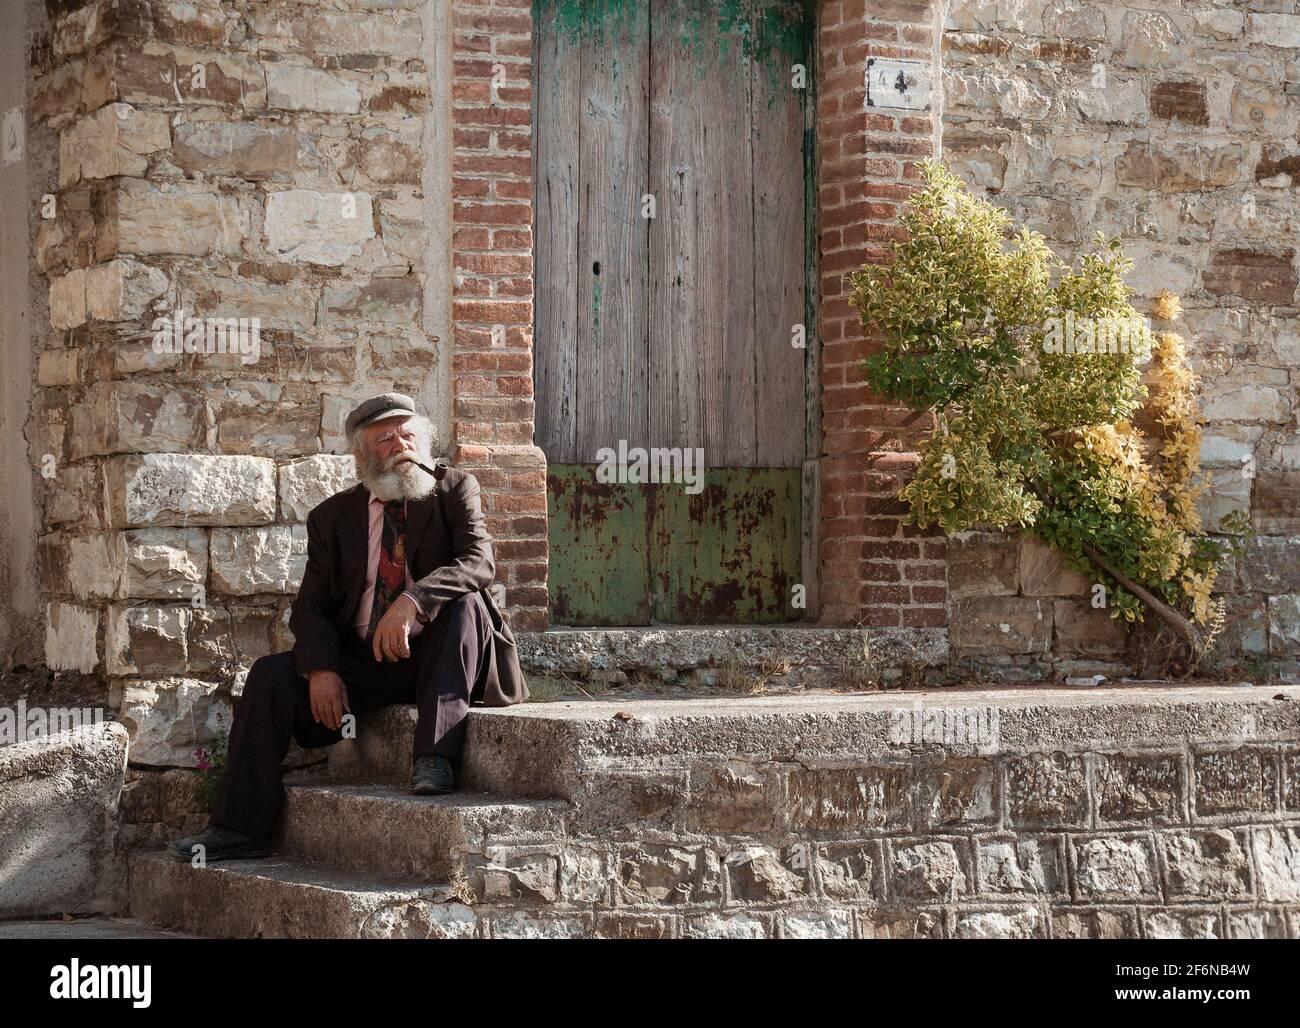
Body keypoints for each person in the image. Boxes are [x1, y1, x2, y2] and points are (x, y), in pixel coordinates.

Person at [169, 392, 528, 862]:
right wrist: (321, 668)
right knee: (270, 677)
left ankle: (434, 756)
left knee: (467, 605)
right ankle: (238, 826)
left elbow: (479, 562)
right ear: (363, 454)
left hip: (444, 655)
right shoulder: (332, 518)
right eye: (385, 438)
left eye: (408, 434)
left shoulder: (455, 490)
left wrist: (413, 601)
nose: (401, 444)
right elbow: (310, 608)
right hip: (369, 663)